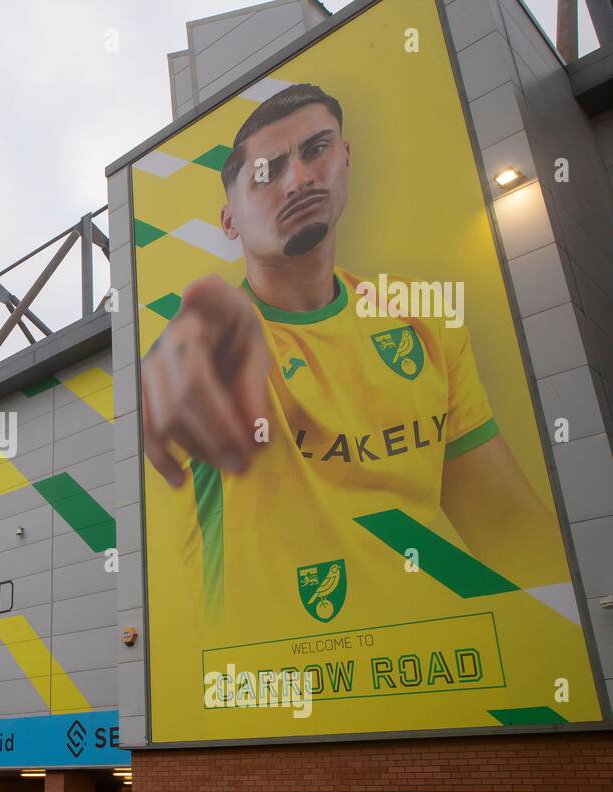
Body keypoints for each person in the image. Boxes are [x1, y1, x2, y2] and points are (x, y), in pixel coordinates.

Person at [139, 82, 566, 639]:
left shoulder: (422, 323)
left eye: (315, 150)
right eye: (267, 172)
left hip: (438, 673)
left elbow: (507, 528)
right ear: (229, 220)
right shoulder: (216, 344)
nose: (298, 179)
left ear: (345, 158)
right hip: (259, 687)